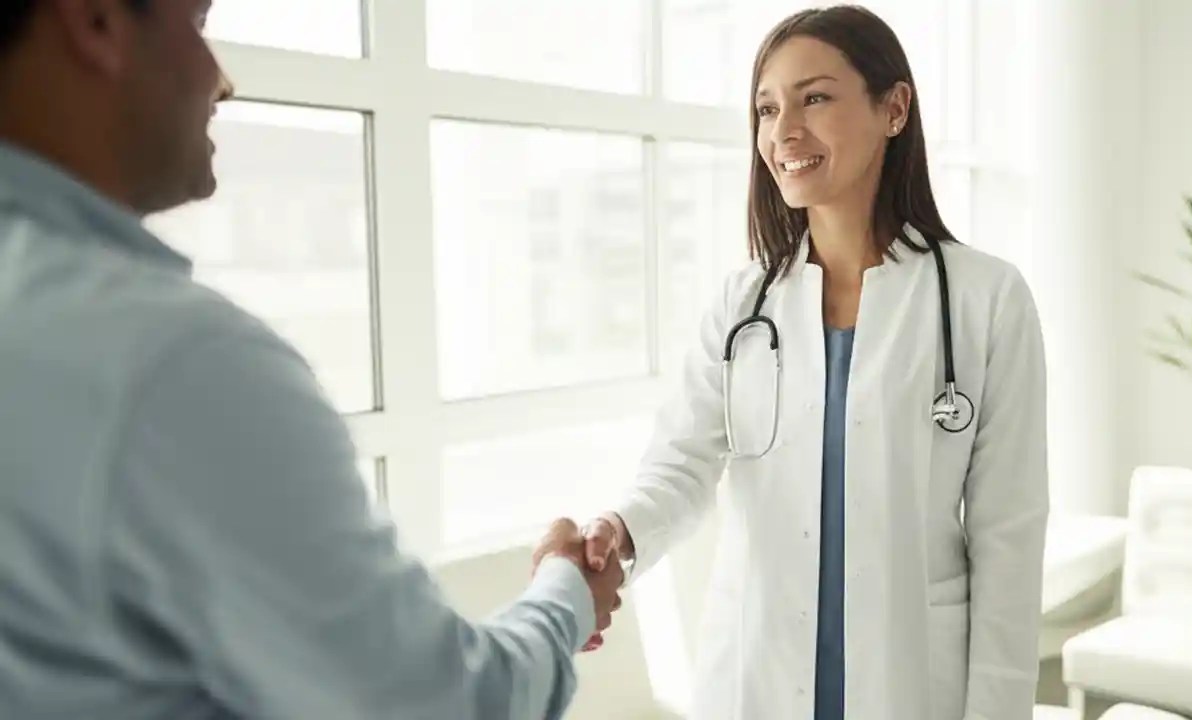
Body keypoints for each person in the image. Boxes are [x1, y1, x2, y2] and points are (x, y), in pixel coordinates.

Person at [0, 1, 622, 718]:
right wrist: (565, 594)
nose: (222, 79)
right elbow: (447, 706)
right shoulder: (169, 364)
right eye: (198, 27)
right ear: (97, 19)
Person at [554, 6, 1050, 720]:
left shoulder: (986, 300)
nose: (784, 130)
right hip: (757, 674)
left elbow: (1009, 537)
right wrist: (619, 529)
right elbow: (683, 463)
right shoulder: (743, 305)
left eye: (814, 97)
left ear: (894, 108)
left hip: (910, 678)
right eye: (766, 107)